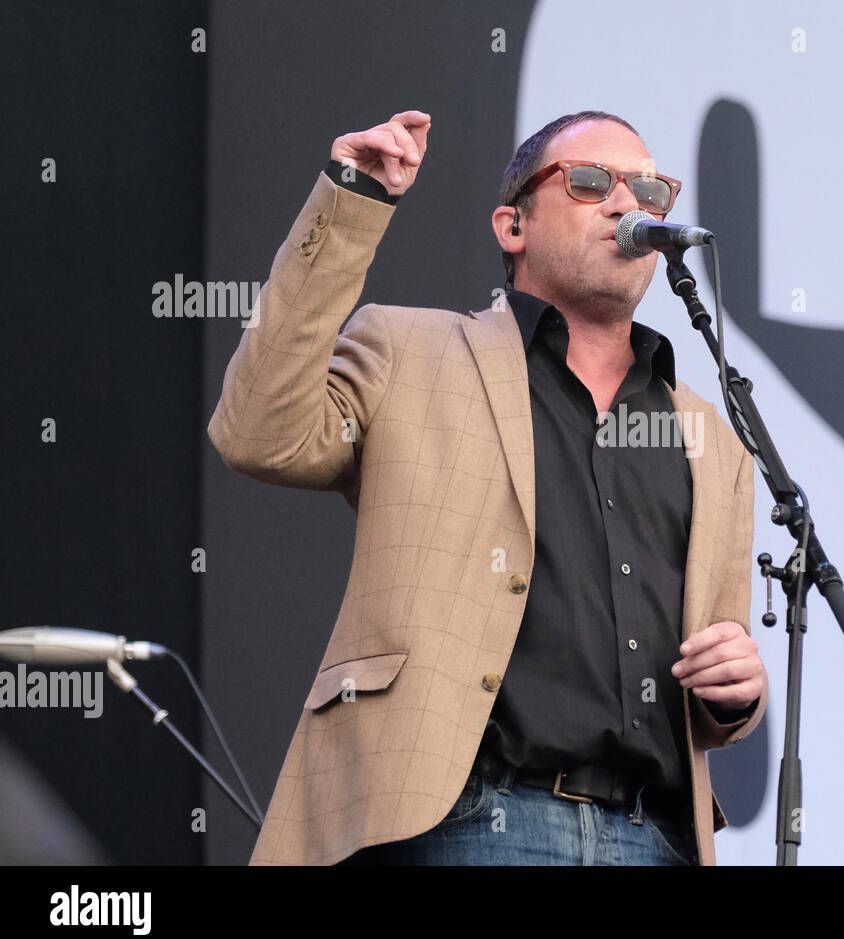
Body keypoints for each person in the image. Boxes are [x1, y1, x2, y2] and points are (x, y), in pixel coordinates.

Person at [208, 108, 767, 866]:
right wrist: (350, 203)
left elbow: (709, 678)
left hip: (656, 834)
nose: (626, 202)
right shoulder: (409, 350)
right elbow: (258, 430)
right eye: (590, 180)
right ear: (513, 226)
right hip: (470, 818)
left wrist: (736, 691)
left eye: (648, 189)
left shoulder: (713, 440)